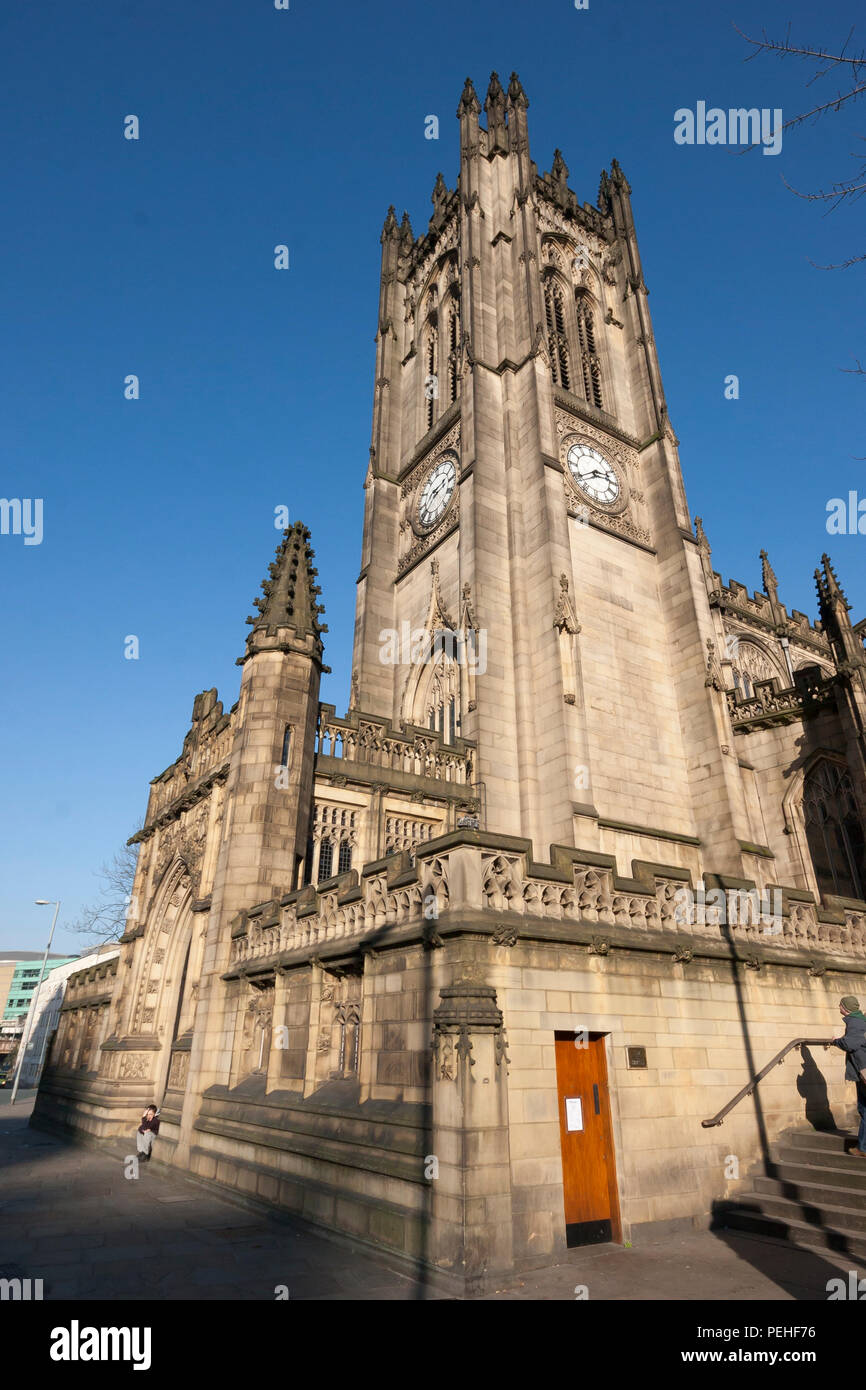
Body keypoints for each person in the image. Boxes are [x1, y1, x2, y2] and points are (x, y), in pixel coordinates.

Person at [829, 996, 866, 1155]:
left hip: (863, 1070)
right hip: (861, 1068)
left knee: (864, 1108)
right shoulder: (859, 1021)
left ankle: (863, 1148)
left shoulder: (855, 1022)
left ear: (846, 1008)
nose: (838, 1006)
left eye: (840, 1004)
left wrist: (837, 1041)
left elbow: (851, 1044)